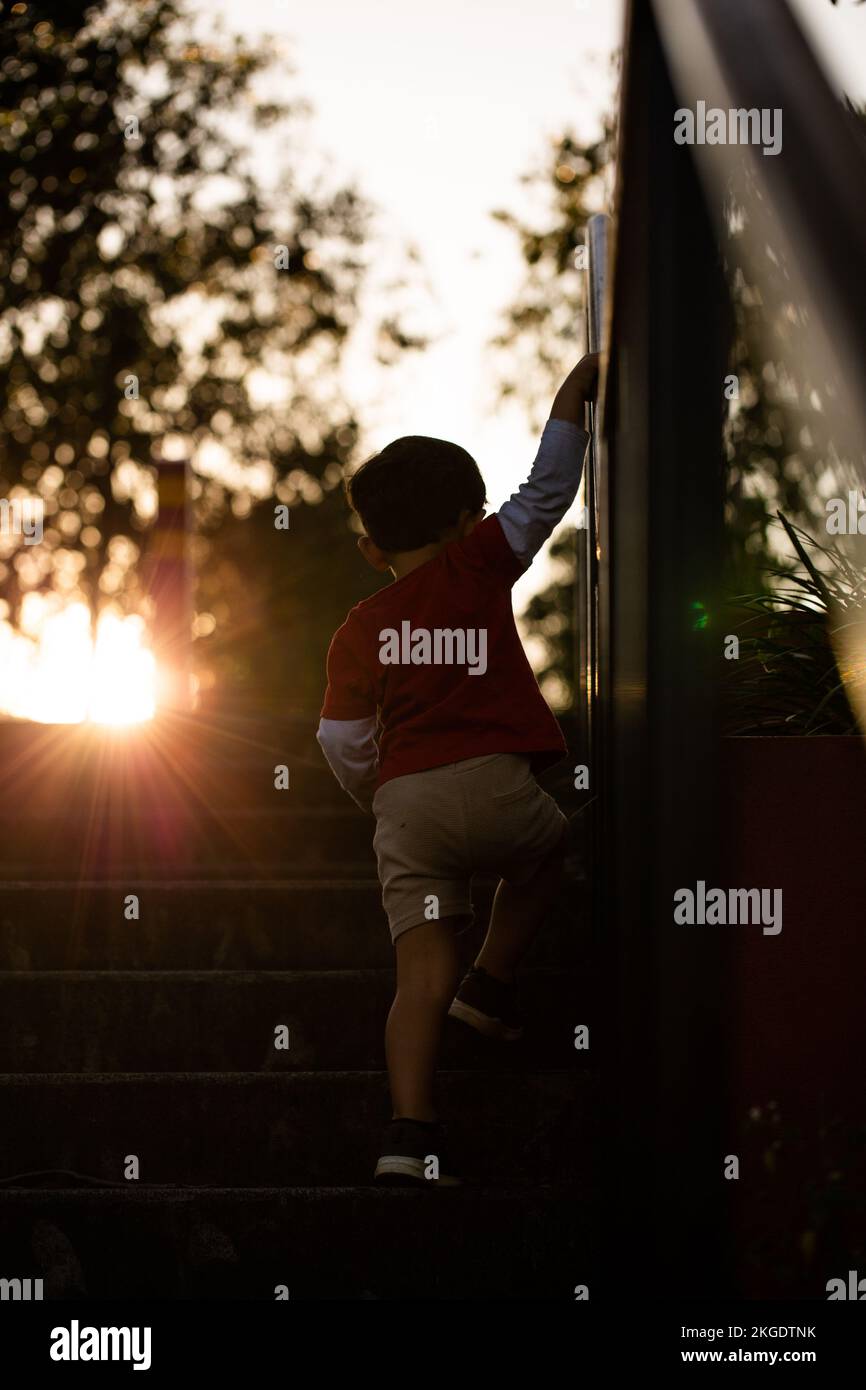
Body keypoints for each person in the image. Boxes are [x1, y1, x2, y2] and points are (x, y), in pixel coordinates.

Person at [317, 353, 599, 1184]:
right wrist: (570, 397)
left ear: (372, 550)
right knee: (548, 850)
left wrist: (380, 791)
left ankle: (408, 1134)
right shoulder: (479, 563)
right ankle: (495, 980)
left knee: (417, 976)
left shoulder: (358, 628)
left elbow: (339, 743)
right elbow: (548, 490)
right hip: (497, 785)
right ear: (465, 521)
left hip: (406, 808)